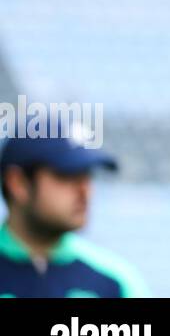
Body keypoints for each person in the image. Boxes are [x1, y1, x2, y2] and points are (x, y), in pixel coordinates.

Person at [0, 127, 148, 297]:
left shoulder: (116, 282)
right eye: (67, 174)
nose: (85, 191)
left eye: (87, 175)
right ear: (18, 183)